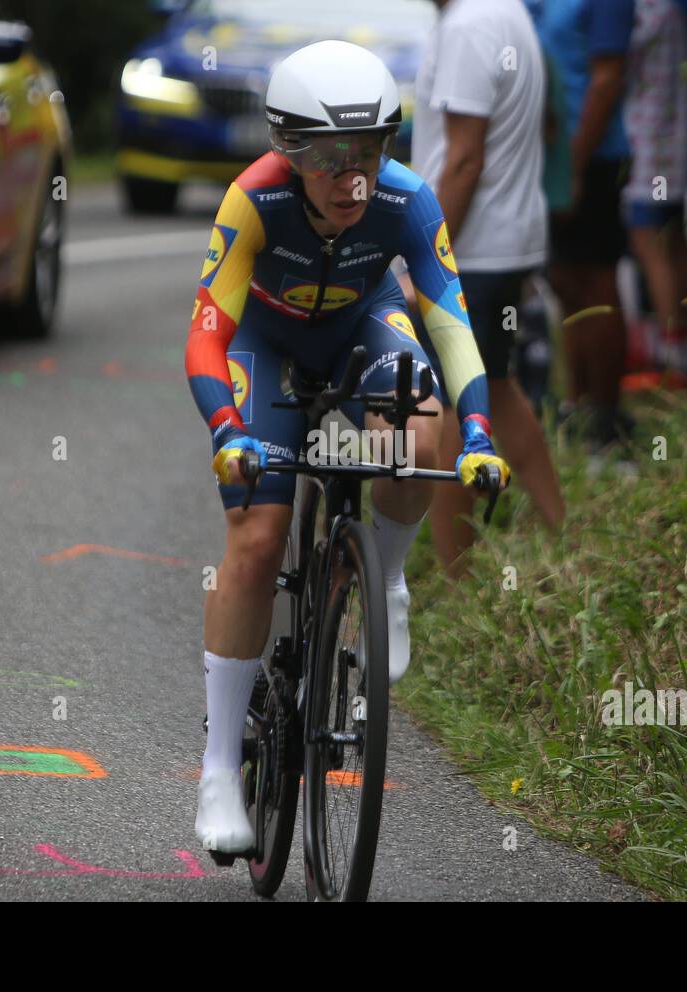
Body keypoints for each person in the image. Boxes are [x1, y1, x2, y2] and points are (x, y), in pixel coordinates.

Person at [185, 40, 511, 853]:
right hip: (265, 343)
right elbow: (204, 338)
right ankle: (220, 770)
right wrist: (229, 432)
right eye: (331, 159)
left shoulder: (408, 202)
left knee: (414, 424)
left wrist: (476, 431)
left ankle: (387, 581)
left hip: (363, 328)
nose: (354, 179)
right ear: (288, 151)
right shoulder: (251, 201)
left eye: (368, 154)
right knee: (257, 538)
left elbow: (452, 327)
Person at [412, 0, 564, 575]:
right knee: (495, 385)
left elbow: (465, 159)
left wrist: (423, 260)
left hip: (473, 249)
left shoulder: (468, 25)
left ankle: (456, 576)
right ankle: (560, 530)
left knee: (455, 401)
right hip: (507, 239)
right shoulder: (508, 12)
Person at [535, 0, 638, 462]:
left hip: (591, 158)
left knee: (596, 283)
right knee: (564, 281)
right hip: (553, 159)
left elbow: (608, 76)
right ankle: (577, 405)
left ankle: (608, 418)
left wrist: (573, 165)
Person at [623, 0, 687, 380]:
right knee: (673, 241)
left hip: (650, 142)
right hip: (673, 138)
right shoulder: (671, 10)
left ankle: (673, 358)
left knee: (651, 242)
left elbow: (617, 61)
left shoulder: (647, 13)